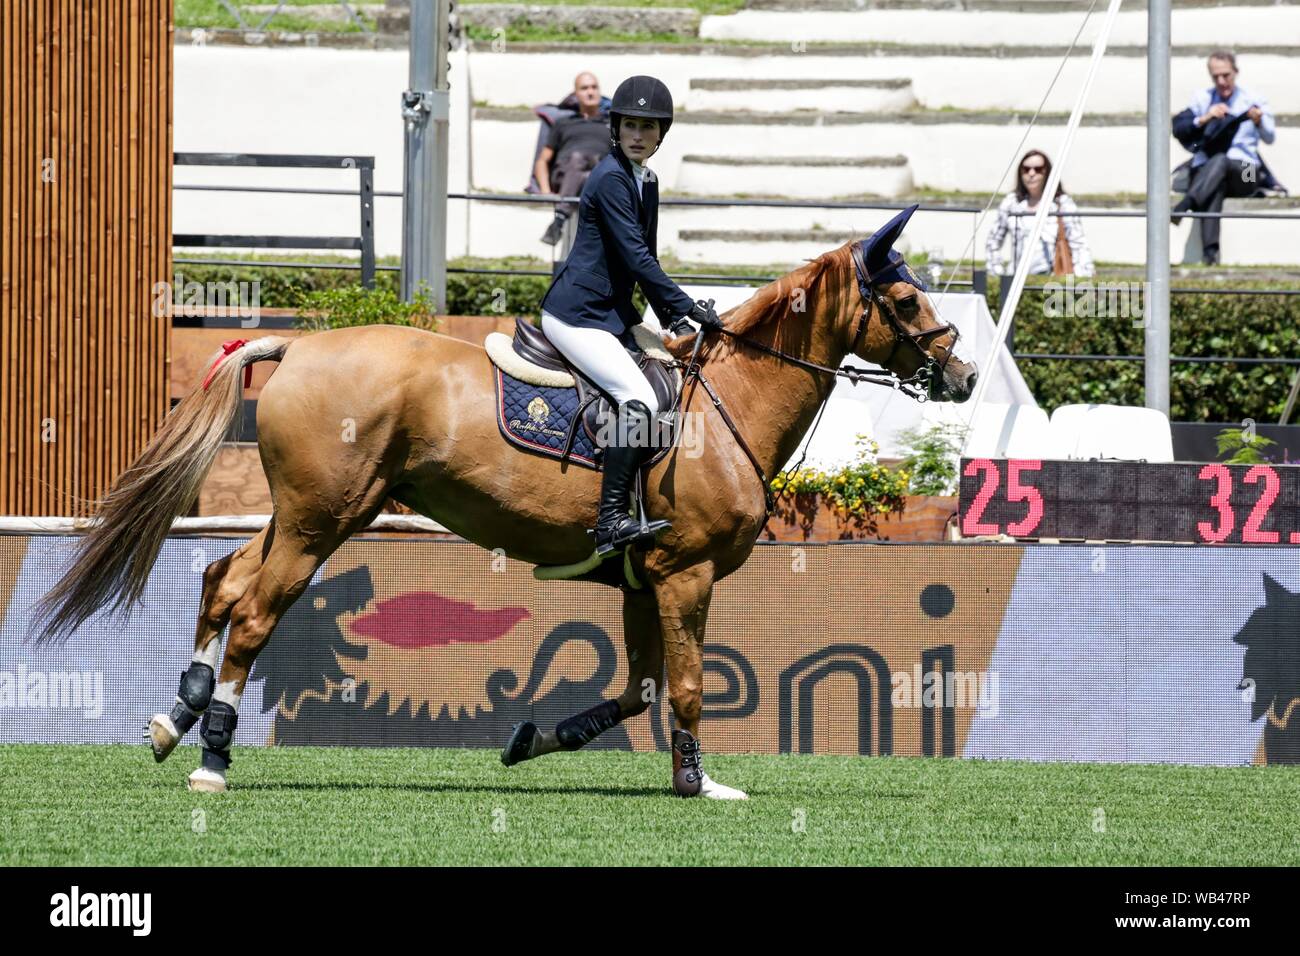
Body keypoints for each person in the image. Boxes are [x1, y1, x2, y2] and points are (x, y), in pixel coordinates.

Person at [538, 75, 719, 560]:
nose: (638, 134)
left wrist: (675, 322)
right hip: (577, 316)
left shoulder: (646, 179)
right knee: (637, 398)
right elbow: (638, 259)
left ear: (662, 135)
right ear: (616, 127)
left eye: (648, 126)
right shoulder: (611, 178)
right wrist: (688, 308)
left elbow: (648, 257)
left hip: (613, 315)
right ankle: (611, 520)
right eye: (630, 124)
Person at [1171, 51, 1279, 266]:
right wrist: (1204, 118)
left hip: (1248, 172)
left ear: (1236, 72)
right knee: (1215, 180)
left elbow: (1270, 137)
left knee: (1220, 161)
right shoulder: (1203, 99)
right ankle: (1210, 255)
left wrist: (1258, 121)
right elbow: (1180, 128)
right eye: (1215, 77)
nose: (1221, 81)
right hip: (1211, 173)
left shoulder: (1253, 99)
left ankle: (1187, 203)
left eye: (1226, 75)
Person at [985, 149, 1095, 278]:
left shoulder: (1062, 203)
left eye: (1038, 169)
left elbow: (1078, 243)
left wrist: (1084, 277)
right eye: (1026, 169)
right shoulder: (1011, 202)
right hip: (1016, 279)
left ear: (1047, 172)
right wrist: (998, 273)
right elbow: (993, 241)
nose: (1031, 173)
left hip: (1052, 279)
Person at [536, 73, 610, 245]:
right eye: (584, 88)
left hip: (597, 176)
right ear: (575, 94)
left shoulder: (612, 123)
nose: (590, 92)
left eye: (594, 87)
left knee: (592, 170)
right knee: (578, 158)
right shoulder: (563, 123)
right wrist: (546, 192)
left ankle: (559, 219)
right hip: (565, 174)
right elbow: (542, 161)